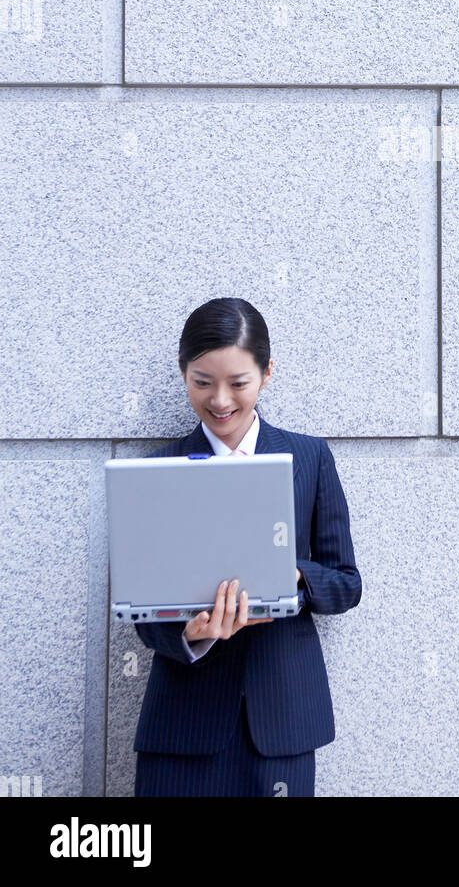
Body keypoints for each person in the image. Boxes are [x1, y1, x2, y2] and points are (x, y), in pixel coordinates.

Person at [131, 296, 361, 797]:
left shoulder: (309, 456)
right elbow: (140, 611)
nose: (220, 401)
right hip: (183, 724)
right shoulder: (155, 471)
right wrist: (191, 634)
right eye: (202, 382)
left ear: (267, 372)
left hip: (281, 719)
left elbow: (346, 583)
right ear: (182, 372)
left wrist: (293, 575)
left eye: (238, 383)